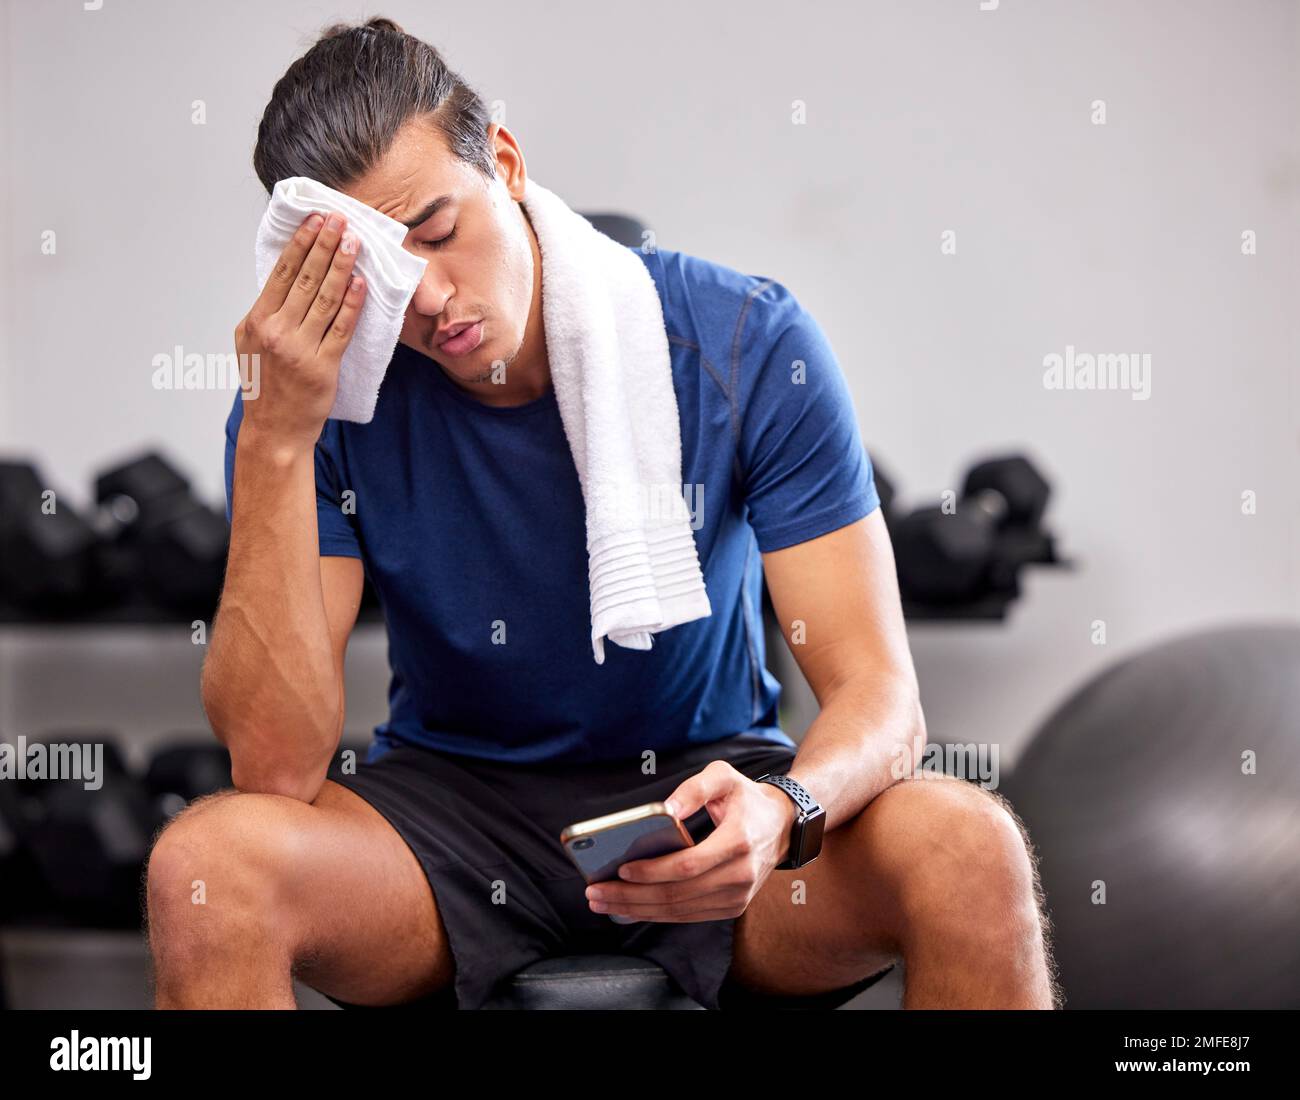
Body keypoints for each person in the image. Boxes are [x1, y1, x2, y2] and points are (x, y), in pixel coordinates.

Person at [145, 17, 1060, 1011]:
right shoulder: (312, 396)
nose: (431, 297)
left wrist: (782, 807)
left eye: (440, 231)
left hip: (710, 797)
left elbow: (884, 700)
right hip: (447, 820)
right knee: (206, 865)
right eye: (382, 271)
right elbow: (274, 768)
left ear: (502, 158)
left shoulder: (746, 340)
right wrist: (274, 438)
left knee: (970, 848)